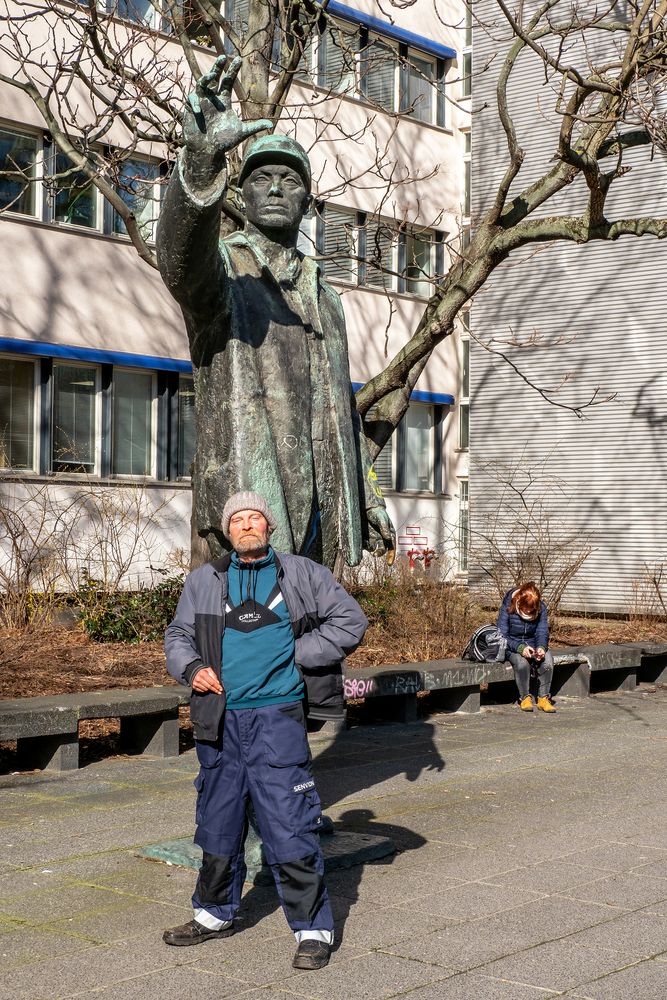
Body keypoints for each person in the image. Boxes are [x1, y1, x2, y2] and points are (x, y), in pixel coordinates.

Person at [156, 54, 394, 569]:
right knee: (251, 636)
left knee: (317, 639)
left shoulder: (326, 299)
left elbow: (343, 408)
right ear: (241, 192)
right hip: (249, 499)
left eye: (291, 179)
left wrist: (367, 495)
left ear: (308, 200)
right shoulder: (226, 272)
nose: (277, 188)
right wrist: (199, 163)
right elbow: (178, 262)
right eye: (263, 177)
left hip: (321, 507)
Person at [161, 491, 368, 970]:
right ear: (227, 531)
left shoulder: (302, 574)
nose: (247, 525)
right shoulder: (205, 580)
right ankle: (213, 914)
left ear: (269, 527)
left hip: (277, 720)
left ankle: (313, 929)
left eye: (255, 518)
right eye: (238, 520)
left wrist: (299, 658)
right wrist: (191, 668)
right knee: (218, 822)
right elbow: (178, 636)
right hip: (220, 720)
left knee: (289, 824)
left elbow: (350, 620)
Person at [496, 582, 556, 713]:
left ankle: (543, 698)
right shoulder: (508, 606)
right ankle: (524, 697)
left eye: (532, 608)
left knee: (548, 661)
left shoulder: (541, 608)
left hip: (533, 644)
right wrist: (520, 648)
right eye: (526, 607)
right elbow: (501, 635)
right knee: (522, 663)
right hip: (511, 646)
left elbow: (542, 631)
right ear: (519, 601)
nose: (529, 611)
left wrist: (541, 647)